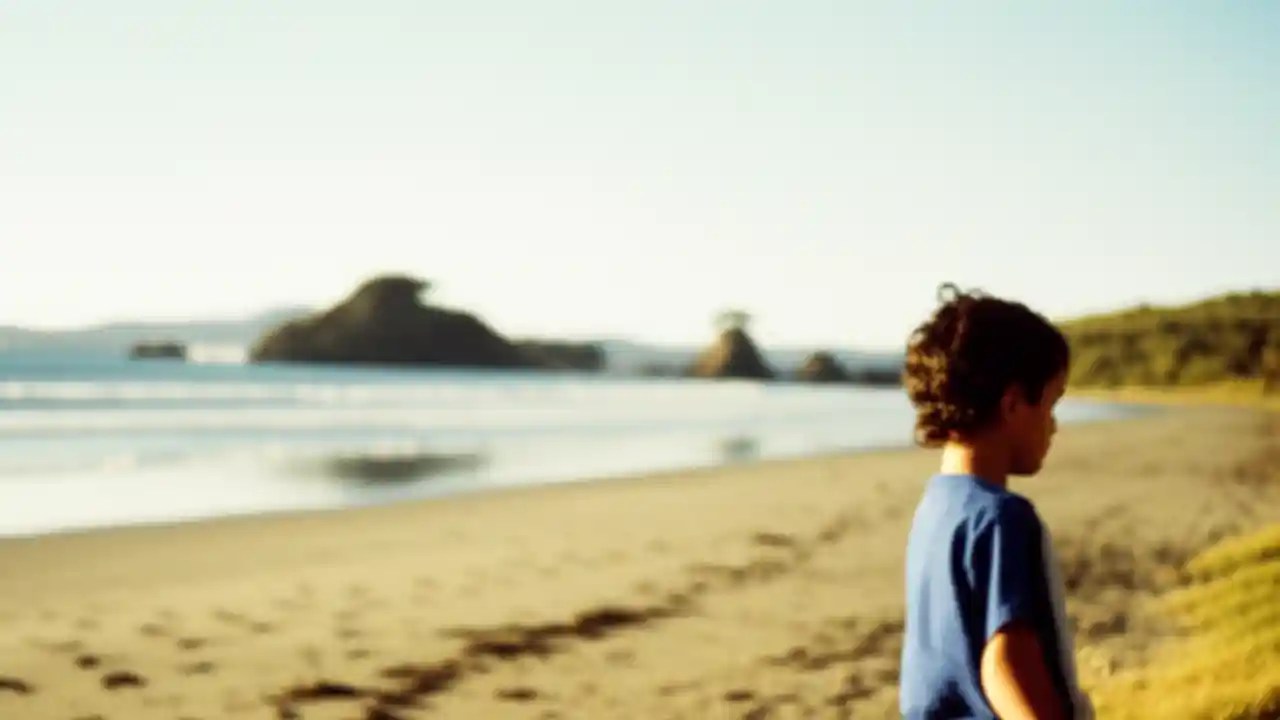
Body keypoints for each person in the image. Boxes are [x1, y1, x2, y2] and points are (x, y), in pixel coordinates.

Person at [898, 284, 1093, 719]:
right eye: (1050, 403)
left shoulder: (936, 506)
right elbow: (1005, 662)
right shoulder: (1003, 518)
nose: (1054, 425)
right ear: (1012, 404)